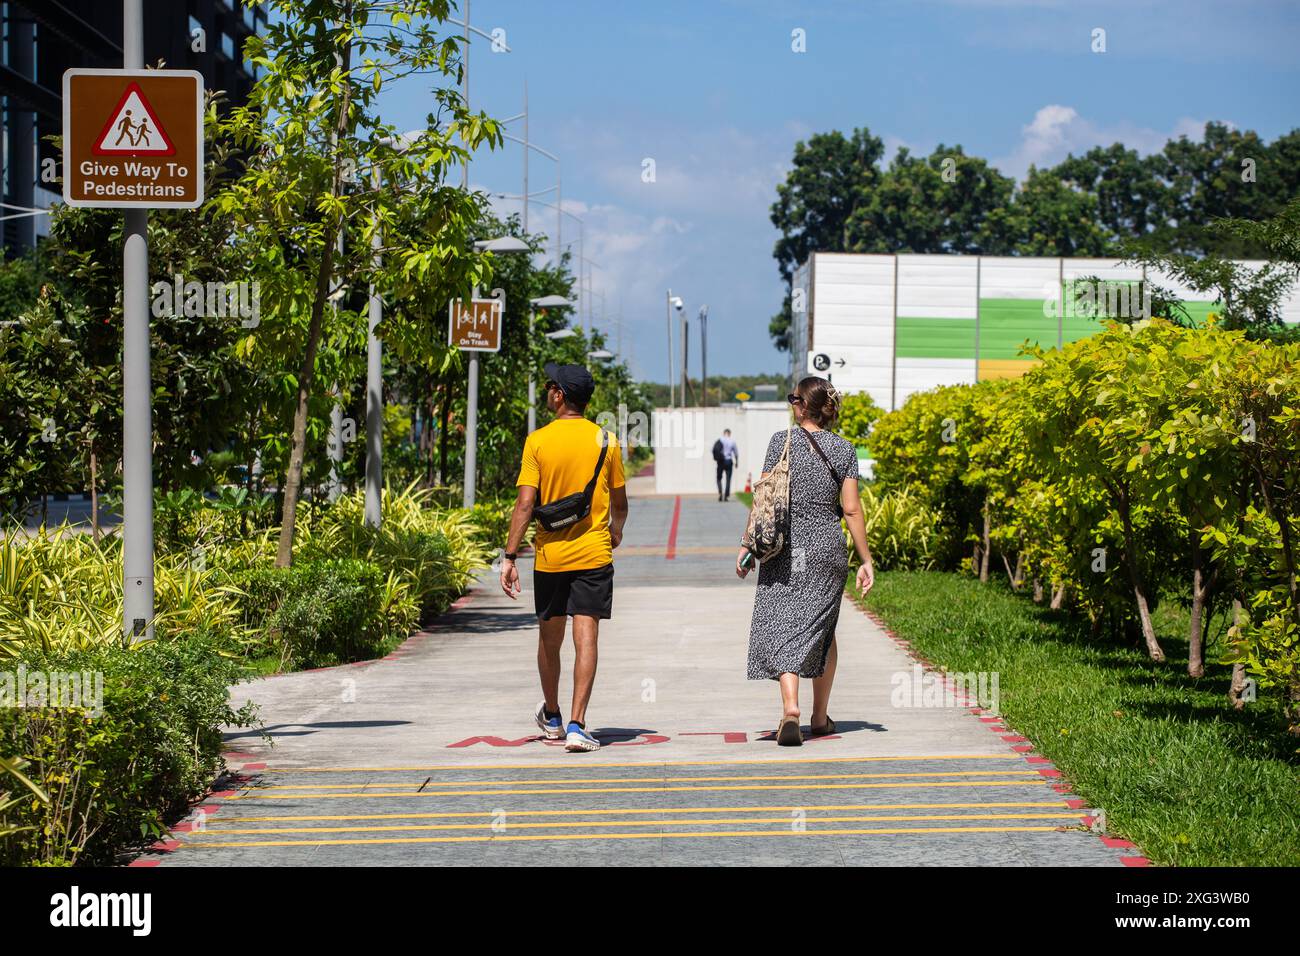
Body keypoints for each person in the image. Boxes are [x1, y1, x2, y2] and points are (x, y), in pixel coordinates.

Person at [736, 376, 875, 746]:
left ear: (800, 405)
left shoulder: (780, 442)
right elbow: (851, 508)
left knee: (783, 623)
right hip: (827, 549)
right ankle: (819, 716)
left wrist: (748, 546)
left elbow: (763, 497)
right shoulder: (845, 450)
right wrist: (866, 559)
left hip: (785, 548)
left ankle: (791, 708)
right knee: (822, 630)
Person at [501, 361, 628, 753]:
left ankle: (553, 717)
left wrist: (509, 556)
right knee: (585, 637)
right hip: (593, 554)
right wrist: (615, 531)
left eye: (548, 386)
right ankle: (577, 724)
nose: (545, 391)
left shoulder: (537, 441)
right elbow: (620, 503)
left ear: (560, 395)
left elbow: (525, 504)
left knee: (549, 639)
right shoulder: (606, 442)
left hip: (549, 556)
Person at [712, 428, 739, 501]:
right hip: (729, 461)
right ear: (729, 433)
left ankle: (720, 492)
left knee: (719, 478)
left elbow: (714, 449)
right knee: (728, 479)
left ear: (724, 433)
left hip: (721, 461)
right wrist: (736, 462)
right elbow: (736, 453)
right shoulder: (732, 441)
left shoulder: (720, 440)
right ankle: (726, 496)